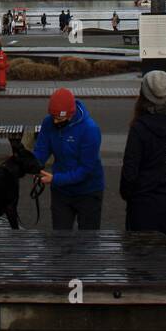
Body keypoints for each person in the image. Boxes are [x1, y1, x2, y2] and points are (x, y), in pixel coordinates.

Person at [119, 72, 166, 241]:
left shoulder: (139, 128)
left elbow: (129, 172)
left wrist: (129, 196)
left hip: (144, 207)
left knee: (144, 263)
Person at [33, 87, 105, 230]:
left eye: (59, 118)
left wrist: (55, 179)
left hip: (88, 192)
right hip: (61, 193)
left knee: (87, 241)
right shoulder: (48, 123)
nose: (55, 122)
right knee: (60, 239)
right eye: (53, 117)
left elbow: (85, 170)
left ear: (71, 114)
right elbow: (41, 150)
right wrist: (31, 164)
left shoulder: (90, 129)